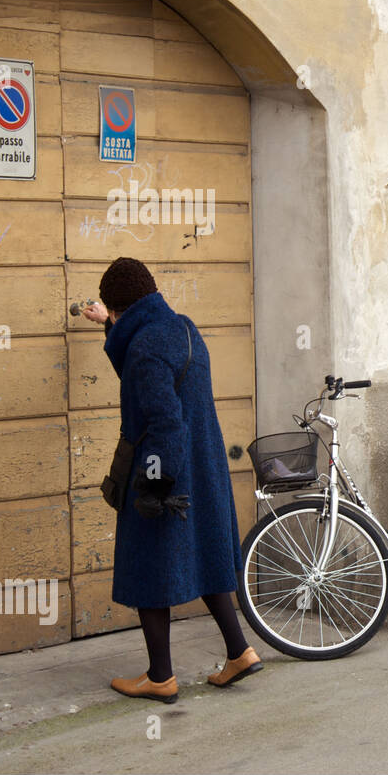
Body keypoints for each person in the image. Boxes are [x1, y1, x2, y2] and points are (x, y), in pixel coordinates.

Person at [82, 257, 262, 703]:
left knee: (150, 564)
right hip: (203, 468)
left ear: (120, 307)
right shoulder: (183, 328)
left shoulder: (143, 347)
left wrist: (156, 485)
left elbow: (164, 422)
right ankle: (239, 652)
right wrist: (110, 326)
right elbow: (148, 380)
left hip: (165, 470)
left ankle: (160, 677)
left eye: (112, 313)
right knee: (205, 556)